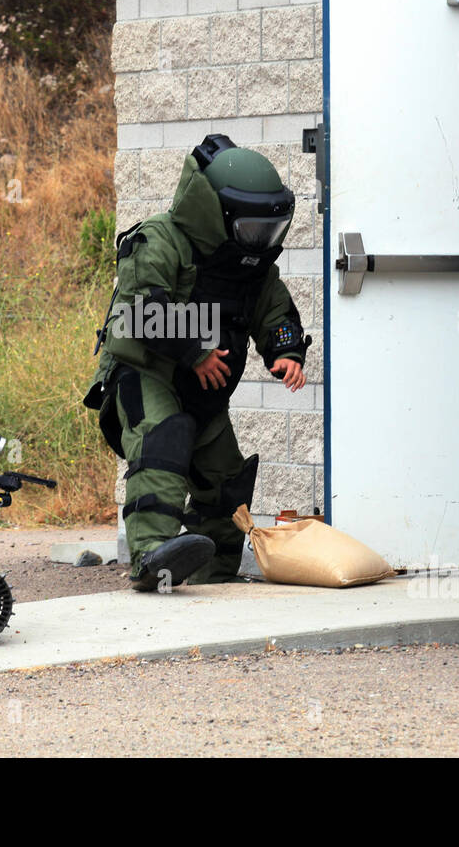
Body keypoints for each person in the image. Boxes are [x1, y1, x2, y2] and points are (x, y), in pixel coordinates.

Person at [83, 133, 311, 591]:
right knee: (163, 444)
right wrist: (196, 353)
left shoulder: (255, 271)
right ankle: (150, 559)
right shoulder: (159, 241)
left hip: (205, 395)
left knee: (226, 483)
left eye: (264, 229)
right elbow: (143, 309)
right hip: (147, 376)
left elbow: (276, 314)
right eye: (247, 227)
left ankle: (216, 570)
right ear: (214, 212)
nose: (257, 239)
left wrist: (286, 353)